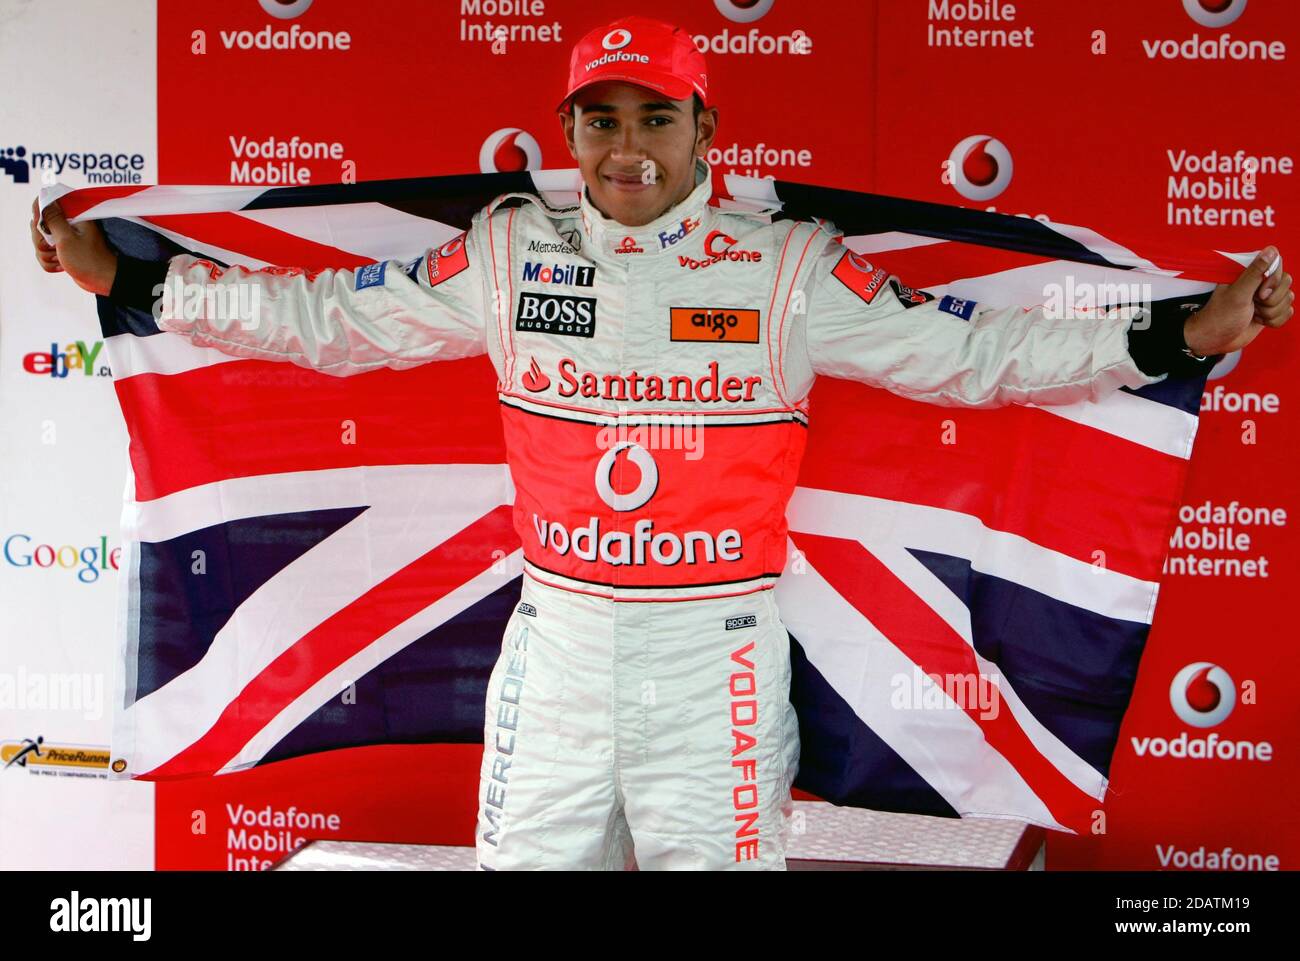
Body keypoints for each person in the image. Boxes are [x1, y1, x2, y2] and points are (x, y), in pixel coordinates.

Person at [30, 16, 1292, 871]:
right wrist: (145, 287)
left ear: (704, 129)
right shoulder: (508, 249)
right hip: (560, 638)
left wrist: (1181, 334)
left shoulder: (788, 268)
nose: (624, 148)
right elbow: (325, 323)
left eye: (653, 118)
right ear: (568, 132)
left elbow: (980, 358)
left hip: (719, 657)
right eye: (598, 120)